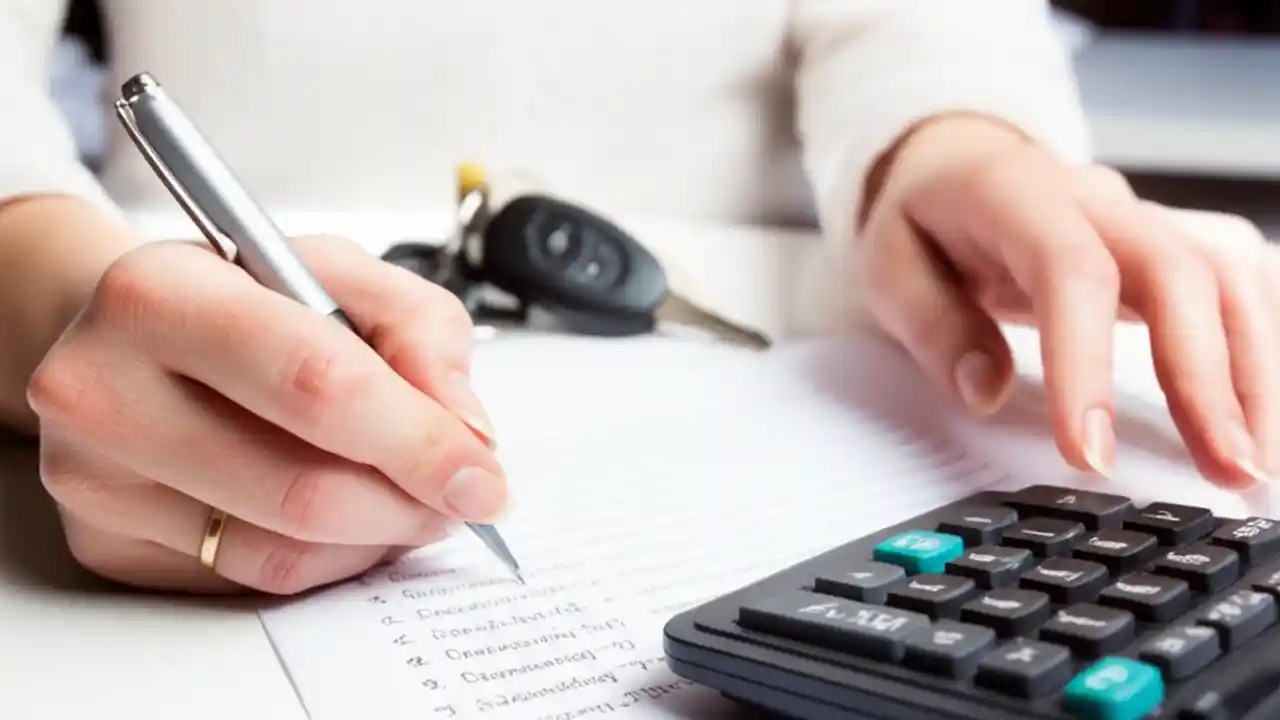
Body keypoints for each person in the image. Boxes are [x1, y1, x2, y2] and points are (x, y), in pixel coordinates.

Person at [0, 0, 1275, 596]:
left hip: (778, 343)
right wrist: (56, 289)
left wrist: (952, 150)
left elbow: (917, 25)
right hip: (194, 337)